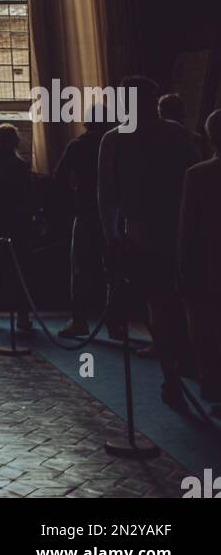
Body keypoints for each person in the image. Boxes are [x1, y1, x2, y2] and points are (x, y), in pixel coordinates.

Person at [98, 76, 198, 411]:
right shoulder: (175, 133)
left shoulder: (116, 139)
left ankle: (173, 372)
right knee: (180, 303)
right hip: (180, 230)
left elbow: (107, 194)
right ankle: (184, 369)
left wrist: (111, 234)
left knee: (161, 304)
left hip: (145, 233)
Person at [54, 109, 123, 340]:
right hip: (115, 213)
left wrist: (69, 204)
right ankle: (115, 324)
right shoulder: (116, 144)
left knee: (80, 270)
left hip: (85, 212)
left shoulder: (77, 145)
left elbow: (60, 178)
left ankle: (80, 321)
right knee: (115, 270)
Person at [178, 109, 221, 403]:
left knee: (206, 328)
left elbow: (187, 229)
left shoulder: (198, 174)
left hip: (209, 262)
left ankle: (213, 388)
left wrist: (183, 268)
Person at [0, 124, 33, 332]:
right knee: (21, 271)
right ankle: (22, 315)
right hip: (19, 223)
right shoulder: (21, 166)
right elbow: (28, 197)